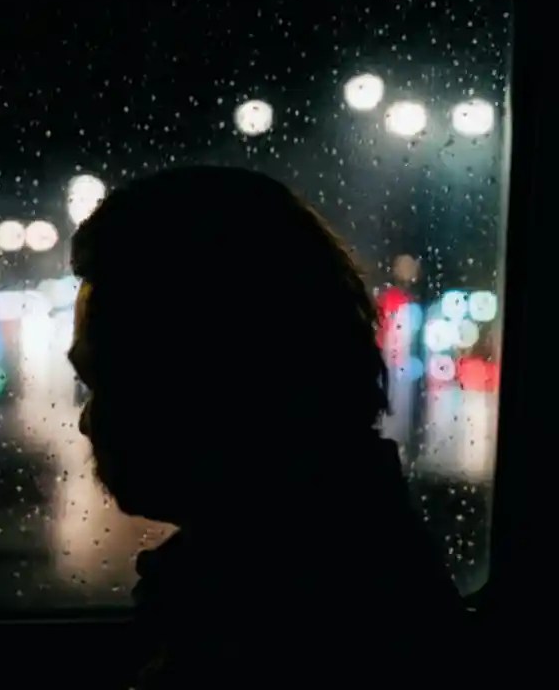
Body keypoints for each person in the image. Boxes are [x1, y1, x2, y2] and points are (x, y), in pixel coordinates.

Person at [67, 166, 473, 687]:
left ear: (208, 383)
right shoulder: (356, 566)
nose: (86, 422)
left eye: (112, 381)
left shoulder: (263, 625)